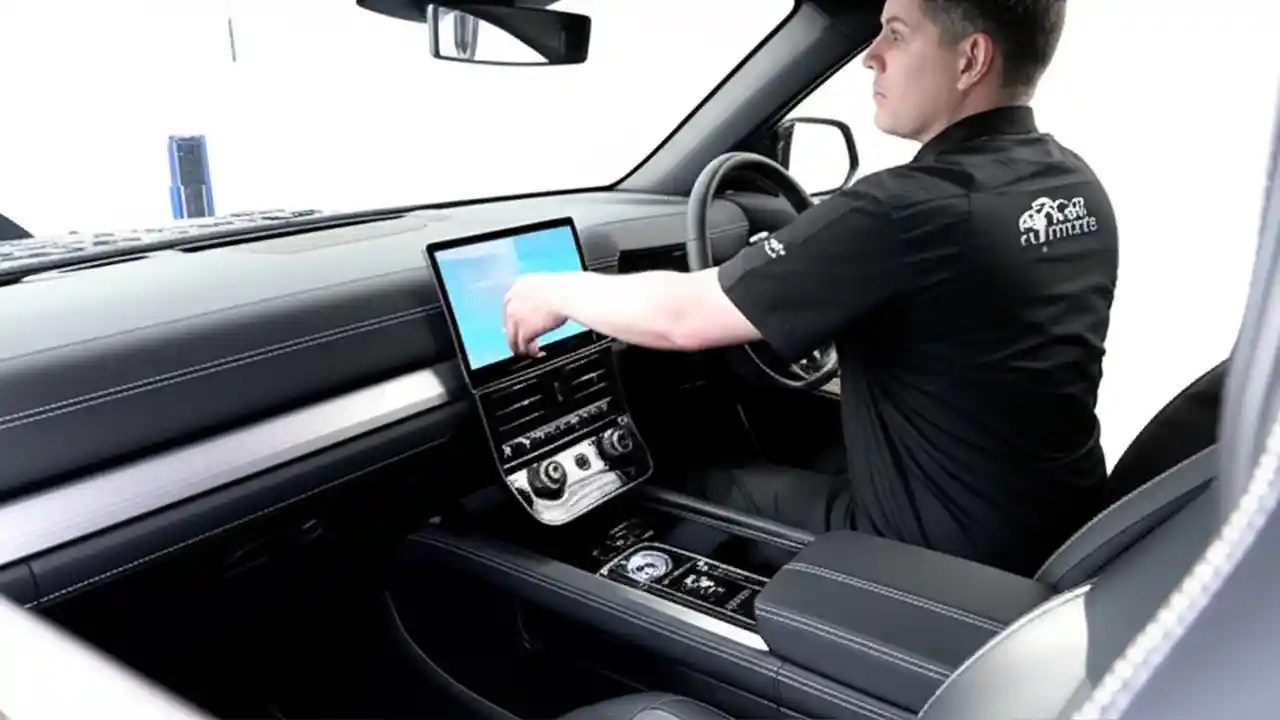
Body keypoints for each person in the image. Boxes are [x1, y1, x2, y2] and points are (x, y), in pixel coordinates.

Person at [502, 0, 1118, 576]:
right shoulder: (1073, 184)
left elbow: (683, 320)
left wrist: (552, 291)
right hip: (1051, 522)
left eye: (896, 35)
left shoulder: (906, 209)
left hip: (936, 560)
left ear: (970, 60)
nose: (869, 54)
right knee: (795, 439)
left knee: (687, 481)